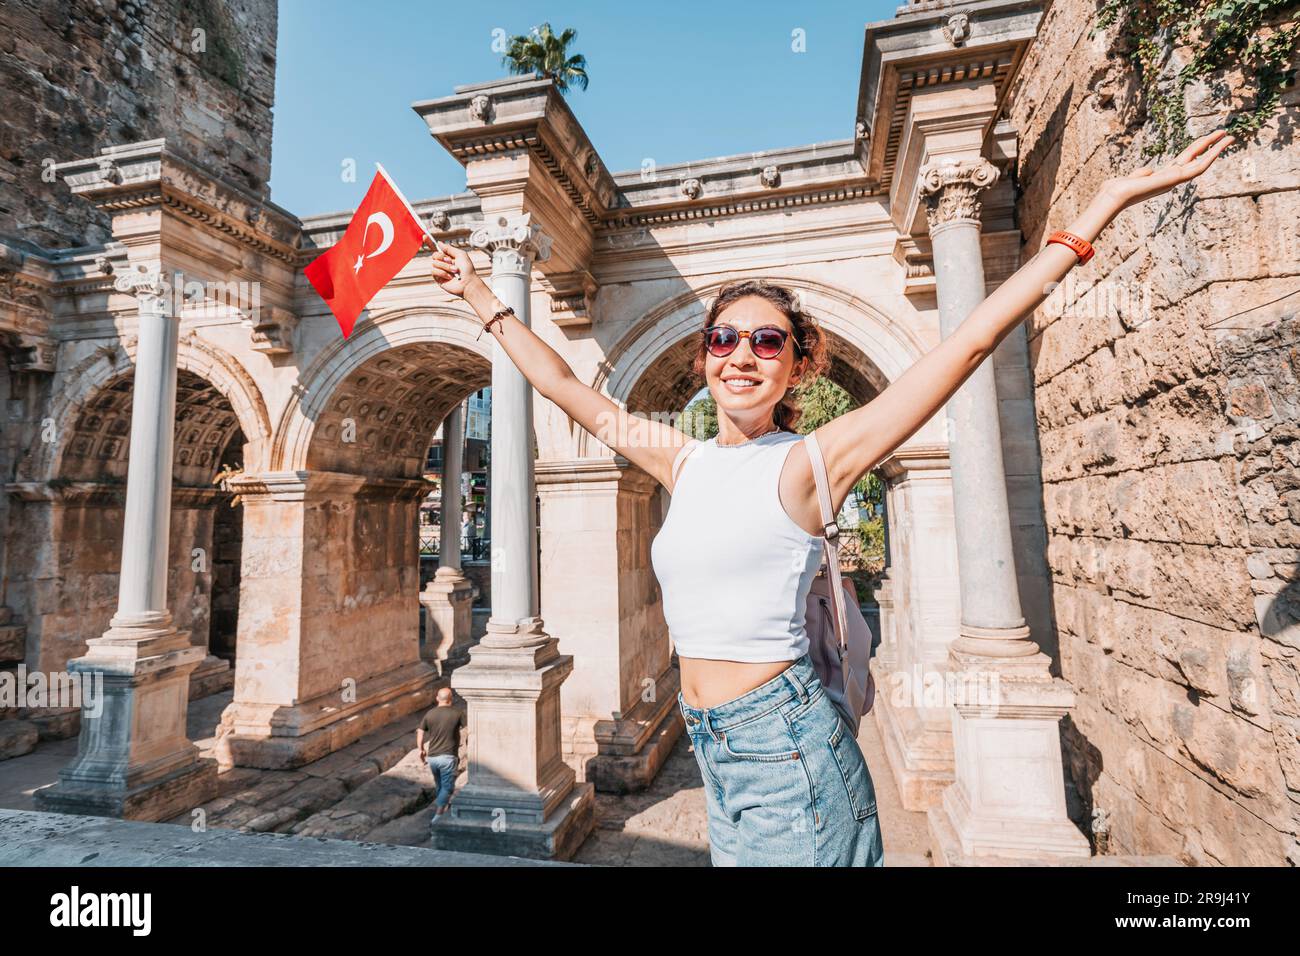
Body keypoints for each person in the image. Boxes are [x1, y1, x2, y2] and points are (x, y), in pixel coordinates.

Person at [423, 130, 1235, 865]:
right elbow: (569, 387)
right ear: (705, 358)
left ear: (795, 363)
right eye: (723, 339)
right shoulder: (684, 459)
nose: (742, 354)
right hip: (716, 749)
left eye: (766, 339)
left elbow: (970, 341)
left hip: (788, 747)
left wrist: (1098, 210)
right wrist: (479, 298)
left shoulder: (816, 460)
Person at [418, 686, 466, 818]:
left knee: (440, 785)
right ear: (451, 699)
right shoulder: (457, 713)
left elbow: (420, 732)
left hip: (432, 757)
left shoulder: (430, 714)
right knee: (448, 787)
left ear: (437, 698)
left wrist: (420, 749)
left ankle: (444, 807)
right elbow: (469, 729)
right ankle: (438, 815)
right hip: (448, 756)